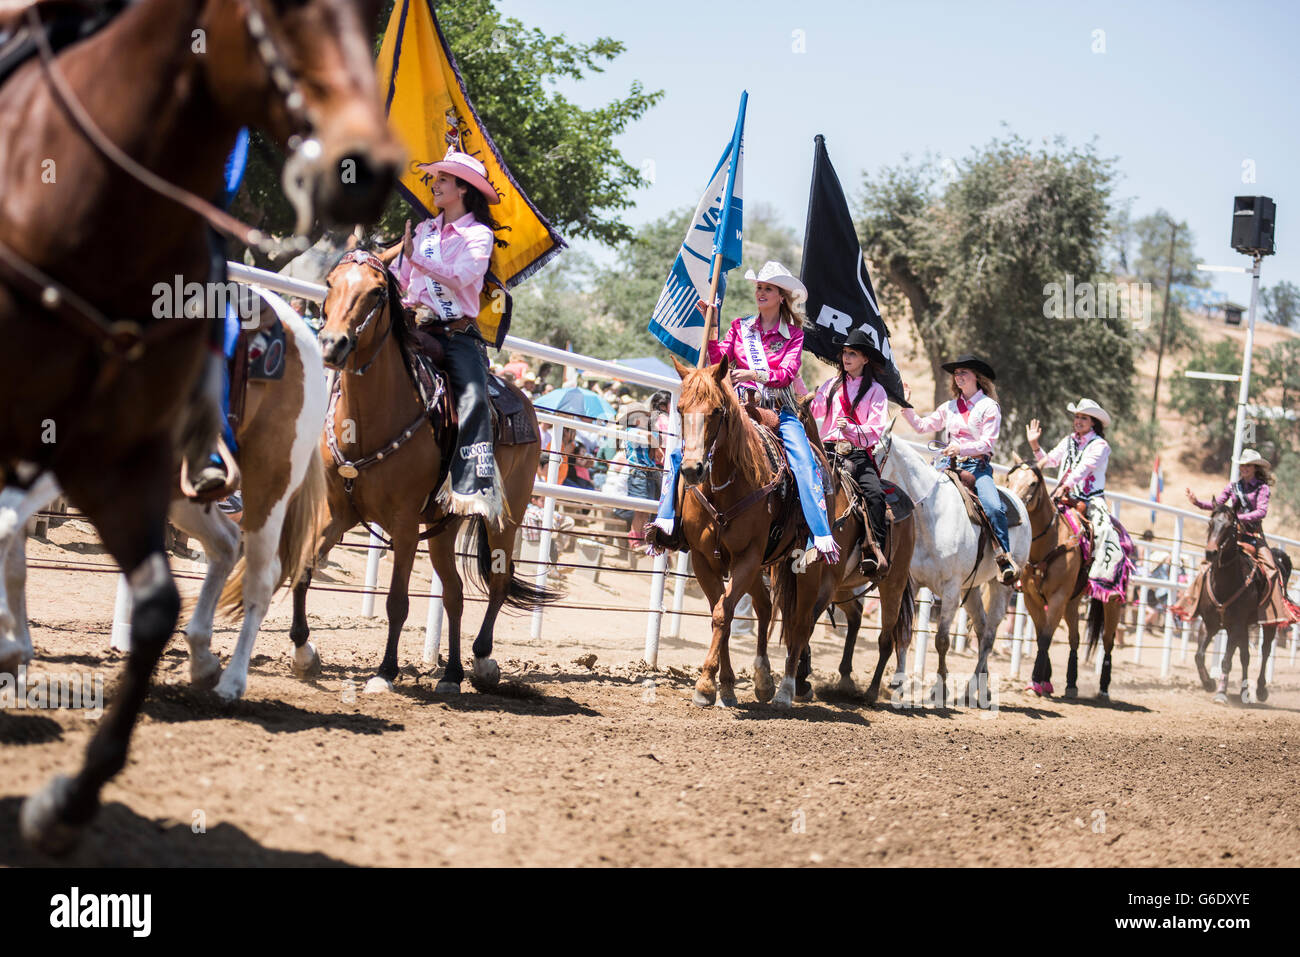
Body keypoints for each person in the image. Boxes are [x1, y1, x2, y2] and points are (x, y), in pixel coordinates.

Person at [647, 261, 837, 562]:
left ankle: (818, 535)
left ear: (781, 296)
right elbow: (718, 359)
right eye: (759, 287)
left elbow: (787, 373)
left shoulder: (794, 335)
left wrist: (752, 374)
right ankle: (667, 523)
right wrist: (711, 326)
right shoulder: (740, 327)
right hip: (739, 408)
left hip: (777, 408)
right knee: (686, 451)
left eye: (768, 288)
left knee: (803, 459)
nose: (761, 292)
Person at [391, 149, 503, 526]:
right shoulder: (423, 231)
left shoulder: (479, 236)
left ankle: (470, 486)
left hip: (456, 334)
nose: (434, 184)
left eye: (442, 179)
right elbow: (401, 279)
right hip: (412, 325)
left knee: (473, 398)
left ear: (463, 189)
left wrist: (417, 258)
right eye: (435, 178)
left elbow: (459, 277)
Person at [901, 355, 1017, 584]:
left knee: (993, 507)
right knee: (916, 497)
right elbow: (922, 426)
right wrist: (906, 405)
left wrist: (960, 447)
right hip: (946, 466)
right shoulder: (950, 407)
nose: (959, 376)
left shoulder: (989, 407)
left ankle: (1004, 556)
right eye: (956, 373)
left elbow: (987, 443)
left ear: (977, 377)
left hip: (977, 469)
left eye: (964, 372)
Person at [1172, 450, 1298, 625]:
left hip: (1254, 536)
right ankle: (1189, 604)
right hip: (1234, 535)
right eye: (1242, 465)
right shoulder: (1233, 486)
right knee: (1207, 565)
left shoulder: (1262, 488)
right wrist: (1197, 502)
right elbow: (1218, 505)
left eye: (1247, 465)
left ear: (1255, 467)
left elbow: (1262, 512)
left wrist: (1238, 518)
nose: (1244, 468)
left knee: (1272, 569)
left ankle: (1276, 613)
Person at [1026, 398, 1132, 601]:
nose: (1078, 421)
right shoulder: (1068, 441)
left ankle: (1102, 581)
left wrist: (1065, 485)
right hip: (1062, 497)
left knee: (1104, 532)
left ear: (1094, 422)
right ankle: (1024, 570)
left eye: (1084, 417)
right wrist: (1034, 444)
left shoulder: (1100, 445)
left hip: (1091, 500)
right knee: (1035, 520)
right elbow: (1050, 461)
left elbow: (1084, 468)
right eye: (1077, 417)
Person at [810, 328, 891, 575]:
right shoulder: (832, 384)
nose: (846, 358)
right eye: (845, 353)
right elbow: (815, 410)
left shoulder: (876, 391)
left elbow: (876, 430)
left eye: (853, 353)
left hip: (857, 453)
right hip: (827, 450)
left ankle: (874, 548)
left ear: (865, 359)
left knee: (875, 494)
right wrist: (800, 386)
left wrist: (853, 429)